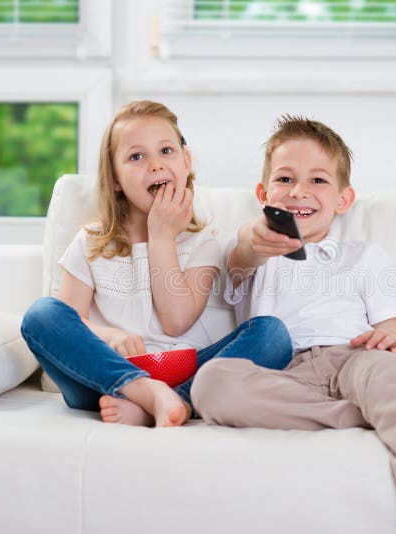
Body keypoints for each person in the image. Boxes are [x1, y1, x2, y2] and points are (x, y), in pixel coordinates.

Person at [191, 115, 396, 532]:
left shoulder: (365, 257)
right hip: (281, 369)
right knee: (212, 382)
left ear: (344, 200)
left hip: (355, 357)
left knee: (391, 375)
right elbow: (243, 254)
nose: (299, 191)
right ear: (263, 193)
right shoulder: (258, 253)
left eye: (318, 181)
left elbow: (395, 334)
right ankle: (374, 415)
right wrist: (255, 237)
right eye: (285, 179)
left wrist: (391, 339)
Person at [21, 100, 293, 428]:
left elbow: (175, 321)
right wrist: (109, 336)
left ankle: (173, 400)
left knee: (272, 334)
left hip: (186, 370)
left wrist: (161, 236)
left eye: (166, 151)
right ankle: (147, 394)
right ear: (116, 179)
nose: (155, 165)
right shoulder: (91, 242)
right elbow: (70, 319)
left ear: (186, 162)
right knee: (40, 314)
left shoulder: (203, 245)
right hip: (104, 376)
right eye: (136, 156)